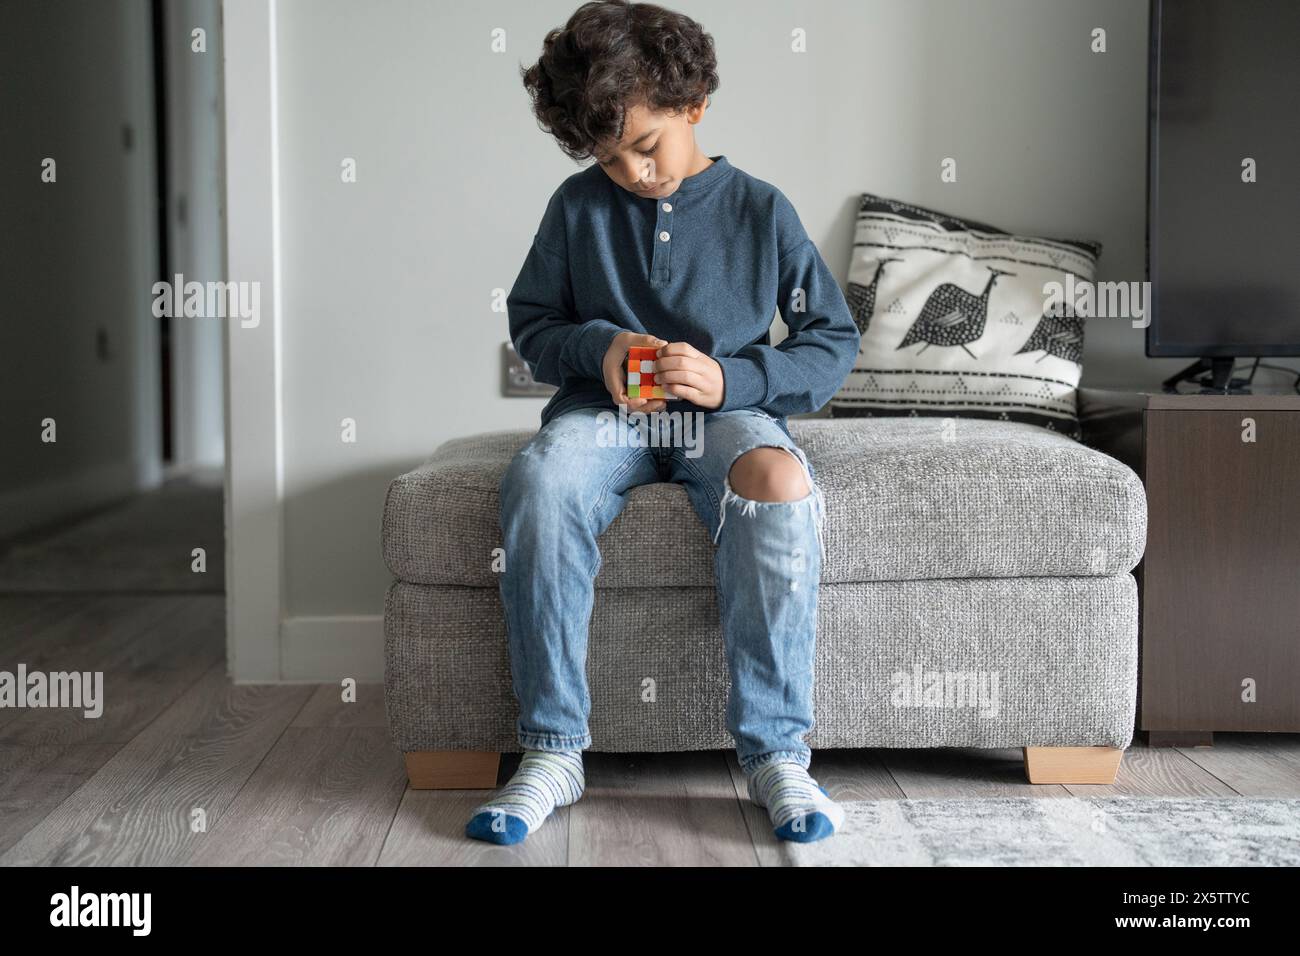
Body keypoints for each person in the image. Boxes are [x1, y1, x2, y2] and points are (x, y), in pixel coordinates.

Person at [466, 0, 859, 846]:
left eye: (646, 148)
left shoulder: (762, 210)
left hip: (726, 416)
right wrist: (600, 348)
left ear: (695, 105)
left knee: (781, 478)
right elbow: (533, 327)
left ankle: (777, 753)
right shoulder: (576, 210)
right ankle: (553, 749)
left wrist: (735, 379)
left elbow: (830, 342)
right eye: (611, 160)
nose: (634, 174)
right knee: (540, 478)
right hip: (602, 418)